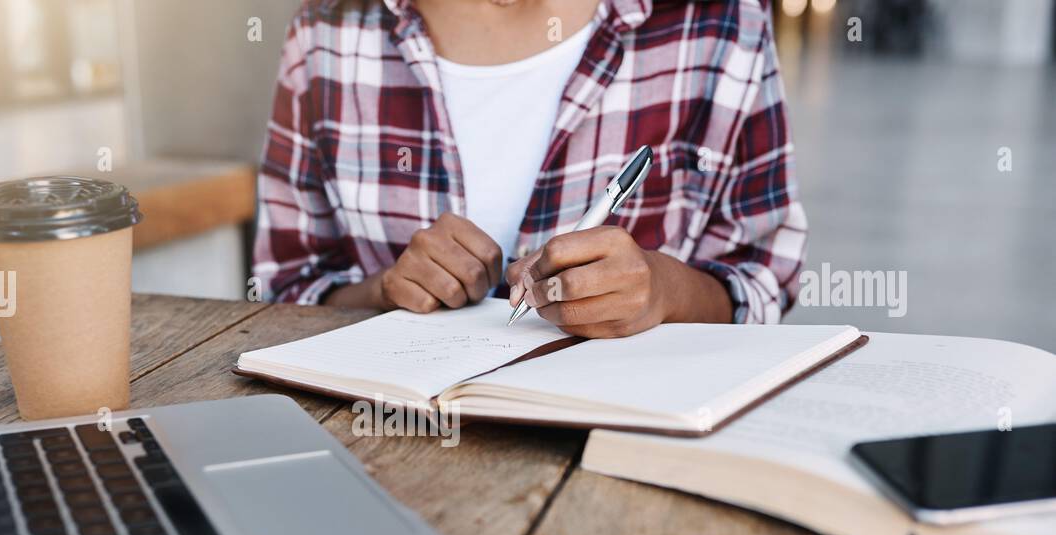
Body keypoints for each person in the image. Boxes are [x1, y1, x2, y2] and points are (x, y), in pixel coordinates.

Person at [254, 0, 807, 337]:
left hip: (625, 452)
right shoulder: (326, 33)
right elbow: (283, 289)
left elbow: (764, 282)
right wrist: (383, 292)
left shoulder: (719, 23)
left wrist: (667, 292)